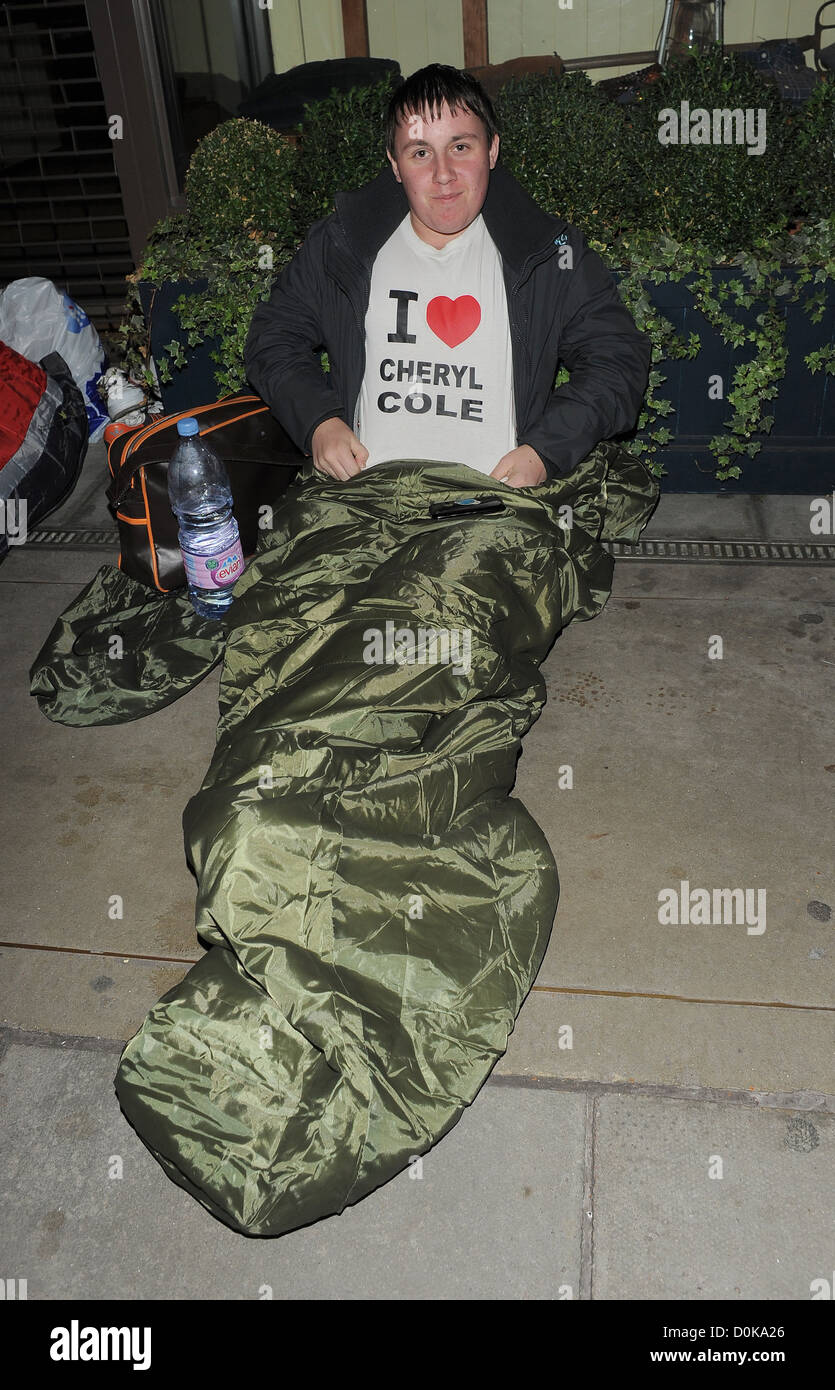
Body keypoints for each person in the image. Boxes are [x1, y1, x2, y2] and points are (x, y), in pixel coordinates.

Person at [244, 62, 651, 489]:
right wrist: (319, 422)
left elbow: (618, 359)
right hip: (365, 497)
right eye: (420, 152)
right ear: (395, 165)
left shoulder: (548, 250)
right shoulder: (342, 243)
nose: (443, 175)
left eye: (460, 147)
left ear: (492, 150)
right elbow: (273, 337)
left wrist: (544, 452)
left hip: (497, 503)